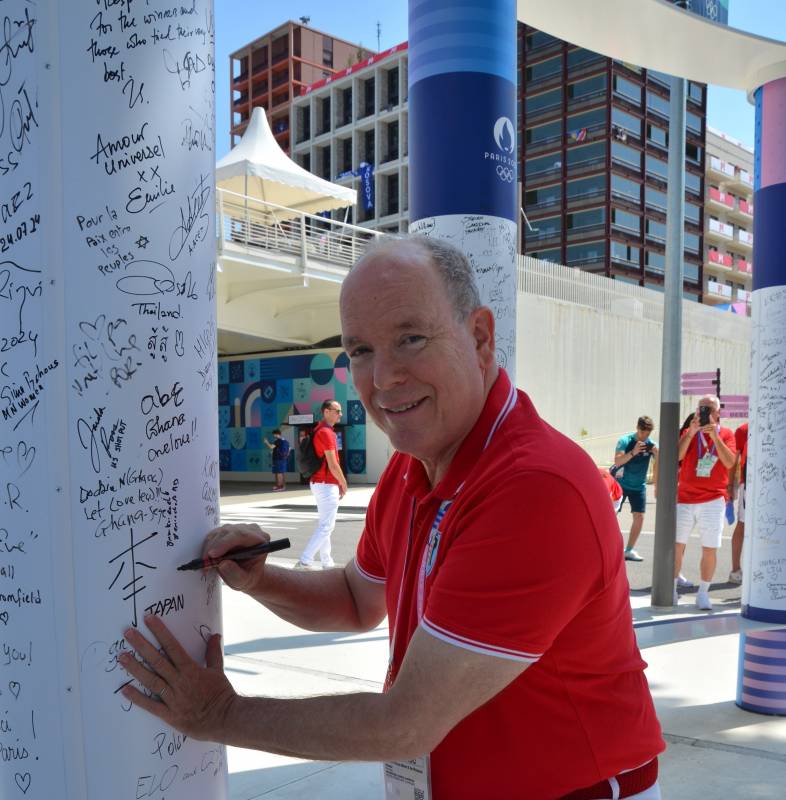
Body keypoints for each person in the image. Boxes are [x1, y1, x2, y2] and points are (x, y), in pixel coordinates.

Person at [118, 236, 664, 799]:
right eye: (359, 351)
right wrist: (260, 578)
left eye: (411, 338)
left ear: (479, 337)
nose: (382, 379)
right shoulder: (411, 470)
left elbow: (406, 723)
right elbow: (357, 601)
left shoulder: (535, 487)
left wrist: (219, 713)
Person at [674, 396, 736, 610]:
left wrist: (715, 438)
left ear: (718, 413)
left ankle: (703, 593)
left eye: (708, 408)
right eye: (701, 408)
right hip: (685, 498)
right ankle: (672, 588)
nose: (704, 411)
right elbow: (677, 456)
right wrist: (691, 433)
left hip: (713, 499)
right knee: (676, 545)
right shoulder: (689, 431)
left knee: (709, 548)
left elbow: (730, 462)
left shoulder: (726, 434)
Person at [294, 400, 348, 569]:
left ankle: (326, 560)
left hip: (320, 483)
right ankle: (304, 560)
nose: (340, 414)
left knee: (325, 524)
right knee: (327, 526)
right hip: (326, 484)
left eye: (340, 411)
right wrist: (343, 482)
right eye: (337, 411)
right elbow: (333, 464)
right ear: (326, 411)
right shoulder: (326, 433)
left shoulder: (320, 429)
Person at [614, 416, 658, 562]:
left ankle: (629, 549)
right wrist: (634, 452)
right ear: (637, 428)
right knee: (612, 515)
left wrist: (658, 455)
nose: (644, 437)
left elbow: (658, 467)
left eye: (647, 434)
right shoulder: (625, 441)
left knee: (639, 516)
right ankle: (609, 546)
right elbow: (618, 461)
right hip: (620, 484)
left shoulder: (651, 445)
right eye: (642, 433)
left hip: (639, 486)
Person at [728, 422, 748, 584]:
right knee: (742, 524)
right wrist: (730, 486)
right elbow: (733, 461)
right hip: (748, 484)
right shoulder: (743, 430)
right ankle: (735, 570)